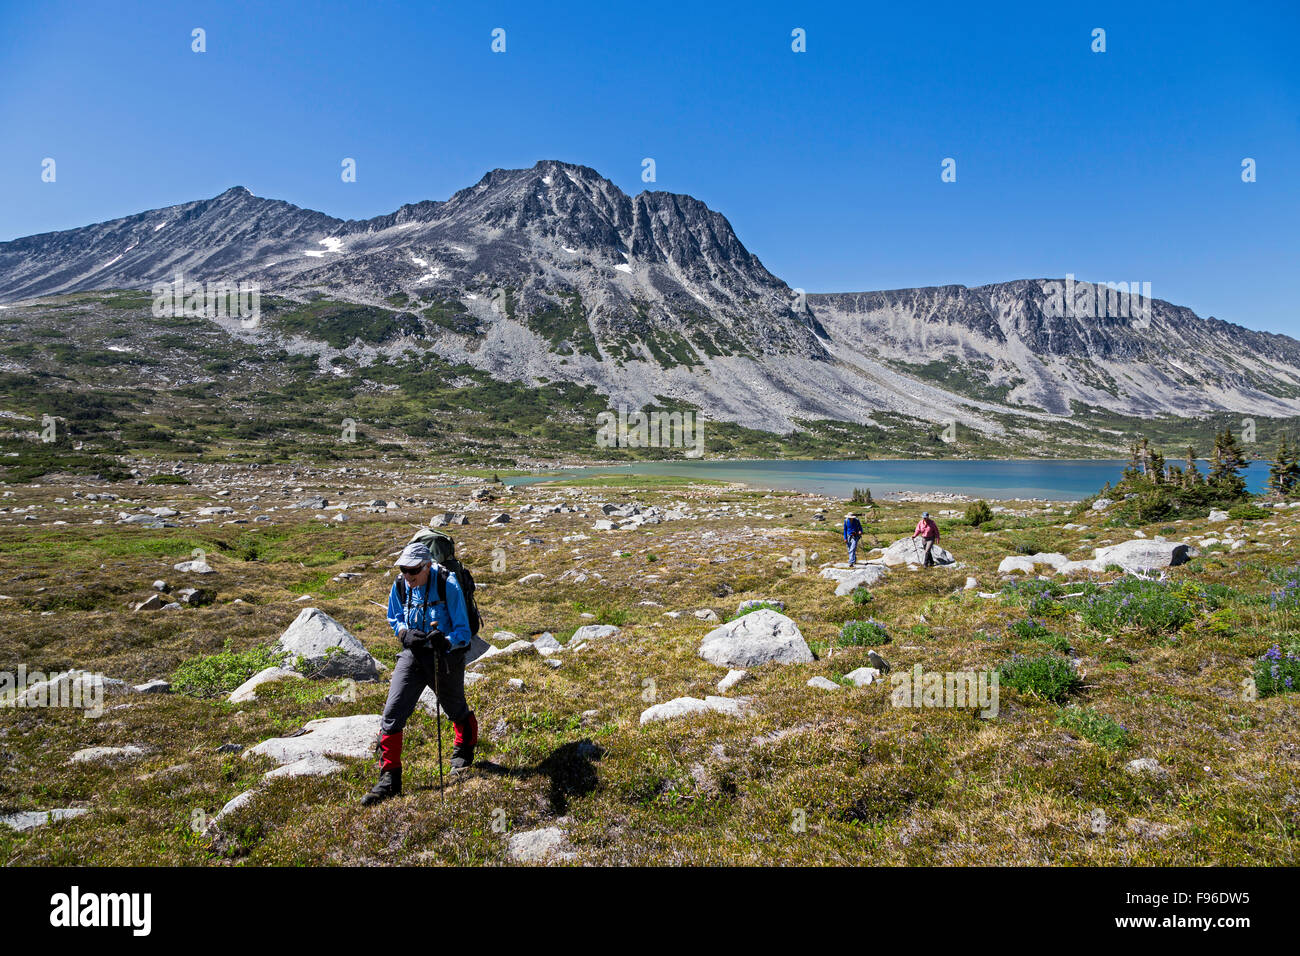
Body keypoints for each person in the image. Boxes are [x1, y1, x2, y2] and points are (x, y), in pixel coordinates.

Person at [362, 541, 478, 806]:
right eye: (404, 569)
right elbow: (394, 616)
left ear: (427, 566)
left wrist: (446, 640)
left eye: (414, 571)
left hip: (445, 655)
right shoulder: (401, 584)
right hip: (413, 656)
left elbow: (463, 630)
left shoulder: (447, 584)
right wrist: (404, 633)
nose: (408, 576)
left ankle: (463, 750)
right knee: (392, 713)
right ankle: (389, 778)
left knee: (455, 708)